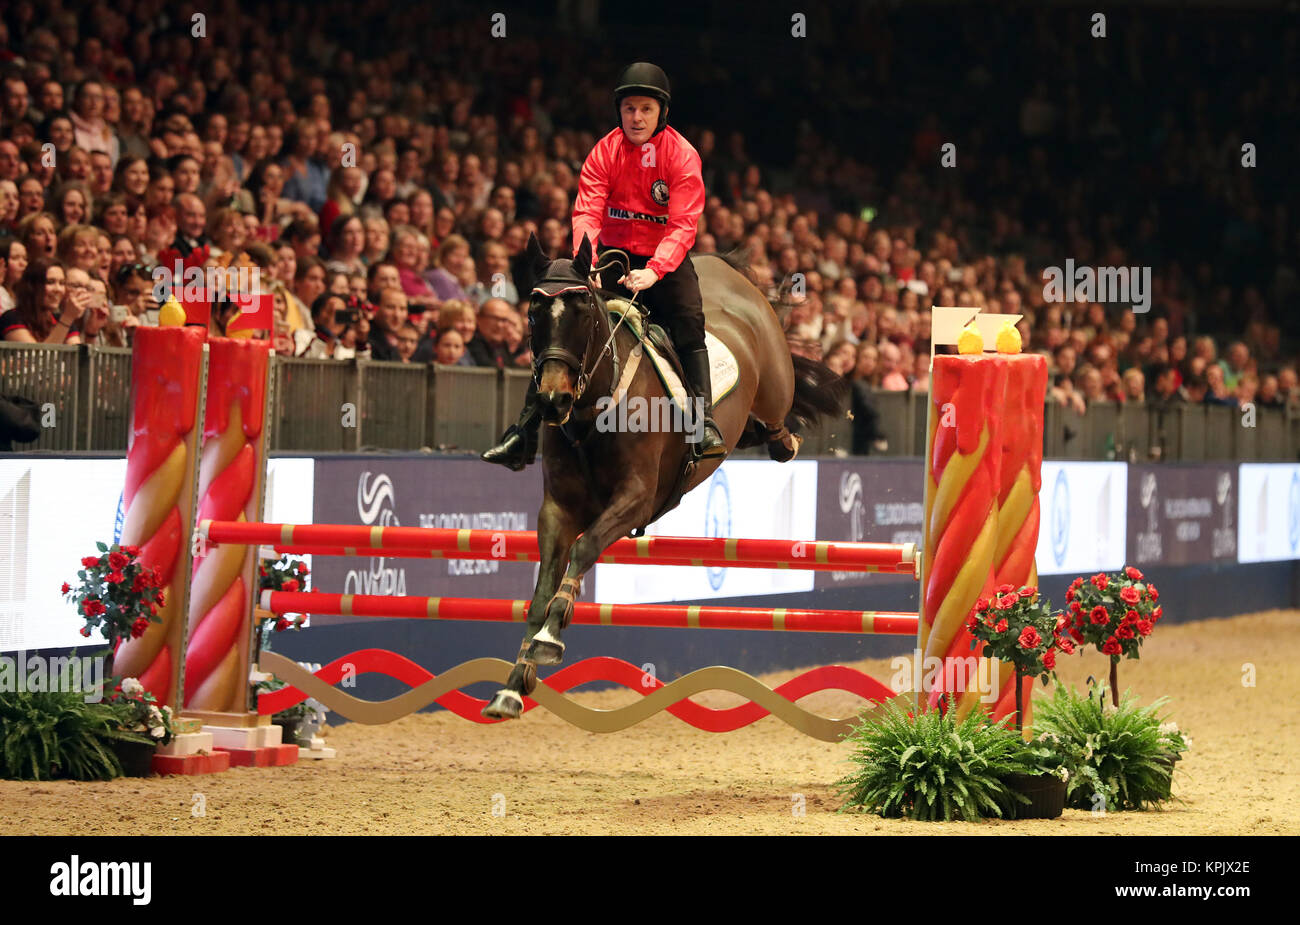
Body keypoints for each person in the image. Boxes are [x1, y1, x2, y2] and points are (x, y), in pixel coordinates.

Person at [483, 62, 724, 469]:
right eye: (629, 108)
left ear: (661, 112)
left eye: (645, 109)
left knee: (688, 321)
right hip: (610, 253)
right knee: (566, 323)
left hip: (664, 258)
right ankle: (522, 433)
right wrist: (586, 263)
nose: (636, 118)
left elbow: (683, 225)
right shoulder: (604, 151)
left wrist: (655, 270)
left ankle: (703, 424)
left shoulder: (682, 156)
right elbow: (587, 213)